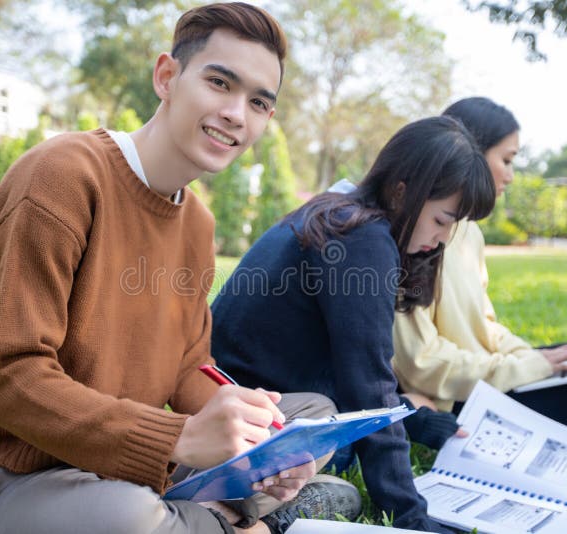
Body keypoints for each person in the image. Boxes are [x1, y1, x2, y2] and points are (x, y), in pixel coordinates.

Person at [0, 4, 361, 534]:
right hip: (27, 477)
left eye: (258, 102)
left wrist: (255, 434)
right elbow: (11, 380)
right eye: (219, 82)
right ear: (167, 76)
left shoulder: (198, 223)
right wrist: (179, 440)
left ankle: (217, 511)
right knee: (127, 518)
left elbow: (189, 368)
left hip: (138, 465)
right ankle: (234, 519)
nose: (237, 113)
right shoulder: (61, 177)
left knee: (311, 417)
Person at [211, 116, 497, 532]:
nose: (443, 238)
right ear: (402, 192)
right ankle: (267, 510)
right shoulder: (362, 241)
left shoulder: (337, 213)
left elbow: (351, 368)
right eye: (441, 219)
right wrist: (410, 518)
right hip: (254, 428)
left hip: (240, 402)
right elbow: (367, 388)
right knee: (340, 454)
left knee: (372, 421)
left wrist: (413, 421)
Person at [391, 96, 567, 466]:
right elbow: (421, 363)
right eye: (506, 160)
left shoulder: (467, 232)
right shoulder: (417, 233)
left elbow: (485, 326)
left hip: (491, 372)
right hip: (457, 394)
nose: (510, 175)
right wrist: (527, 368)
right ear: (466, 153)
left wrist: (532, 357)